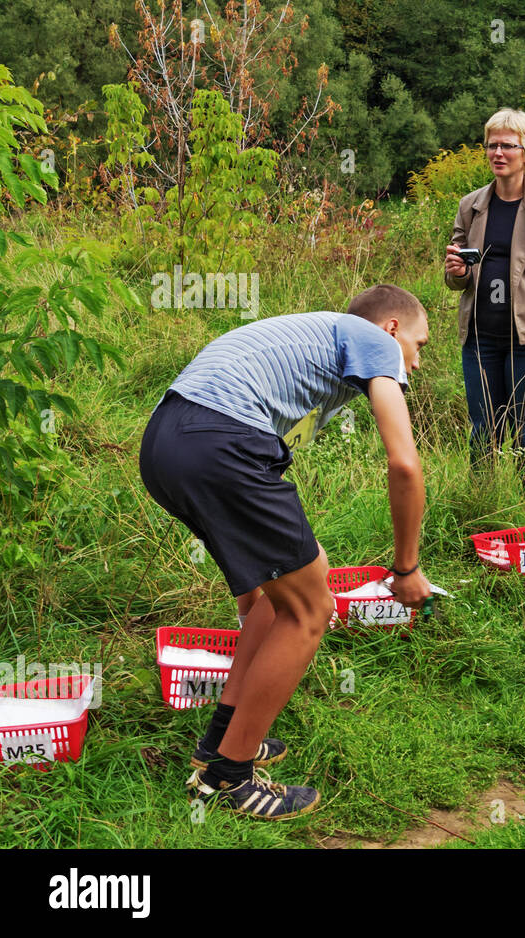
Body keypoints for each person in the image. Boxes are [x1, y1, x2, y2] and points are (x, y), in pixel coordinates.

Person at [139, 285, 435, 818]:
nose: (415, 360)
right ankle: (230, 779)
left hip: (167, 442)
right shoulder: (376, 342)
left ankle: (222, 743)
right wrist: (406, 567)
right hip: (219, 442)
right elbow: (405, 465)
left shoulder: (319, 338)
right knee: (311, 609)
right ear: (392, 329)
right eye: (420, 344)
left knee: (280, 595)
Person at [444, 107, 525, 489]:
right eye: (491, 145)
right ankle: (482, 509)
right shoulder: (471, 205)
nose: (497, 153)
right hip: (480, 339)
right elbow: (458, 277)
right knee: (484, 434)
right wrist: (456, 272)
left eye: (508, 146)